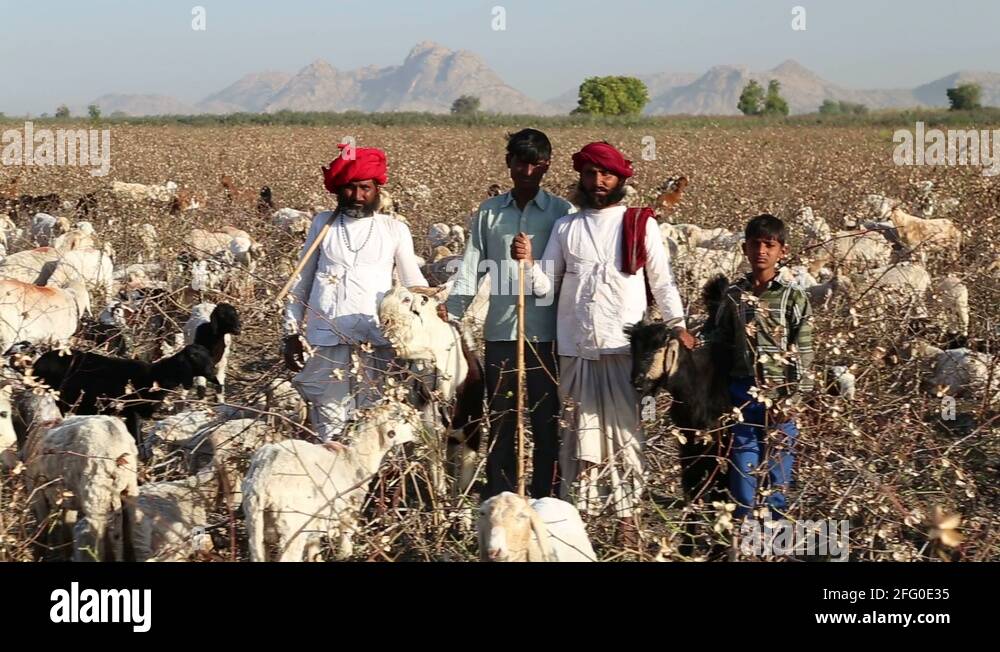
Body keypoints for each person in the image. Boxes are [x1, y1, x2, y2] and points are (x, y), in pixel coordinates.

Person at [526, 141, 694, 546]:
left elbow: (662, 281)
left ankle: (627, 523)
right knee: (577, 434)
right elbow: (546, 286)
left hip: (625, 351)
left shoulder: (639, 224)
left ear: (620, 180)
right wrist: (527, 263)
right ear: (581, 178)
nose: (598, 182)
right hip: (576, 347)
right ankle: (575, 522)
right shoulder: (566, 227)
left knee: (625, 435)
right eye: (590, 174)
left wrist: (679, 325)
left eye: (606, 175)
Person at [446, 128, 573, 498]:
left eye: (536, 164)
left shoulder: (562, 213)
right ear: (509, 164)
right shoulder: (488, 213)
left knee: (546, 420)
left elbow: (566, 273)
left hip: (546, 336)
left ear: (546, 166)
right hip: (501, 333)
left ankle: (547, 498)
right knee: (502, 420)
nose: (527, 171)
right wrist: (452, 312)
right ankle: (502, 495)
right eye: (520, 162)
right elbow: (471, 267)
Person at [282, 143, 427, 442]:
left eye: (365, 188)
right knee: (331, 425)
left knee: (375, 426)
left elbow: (414, 284)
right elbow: (301, 282)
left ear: (377, 190)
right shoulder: (323, 224)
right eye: (349, 188)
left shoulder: (394, 229)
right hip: (327, 340)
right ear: (338, 190)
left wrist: (432, 316)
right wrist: (291, 333)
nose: (357, 196)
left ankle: (374, 489)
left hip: (378, 342)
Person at [711, 214, 814, 519]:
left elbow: (805, 354)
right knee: (743, 471)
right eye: (755, 244)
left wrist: (792, 400)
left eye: (769, 245)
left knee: (777, 478)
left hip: (781, 395)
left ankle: (774, 544)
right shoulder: (734, 295)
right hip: (743, 393)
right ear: (744, 248)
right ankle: (744, 541)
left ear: (782, 251)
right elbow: (720, 337)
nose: (762, 251)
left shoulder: (793, 297)